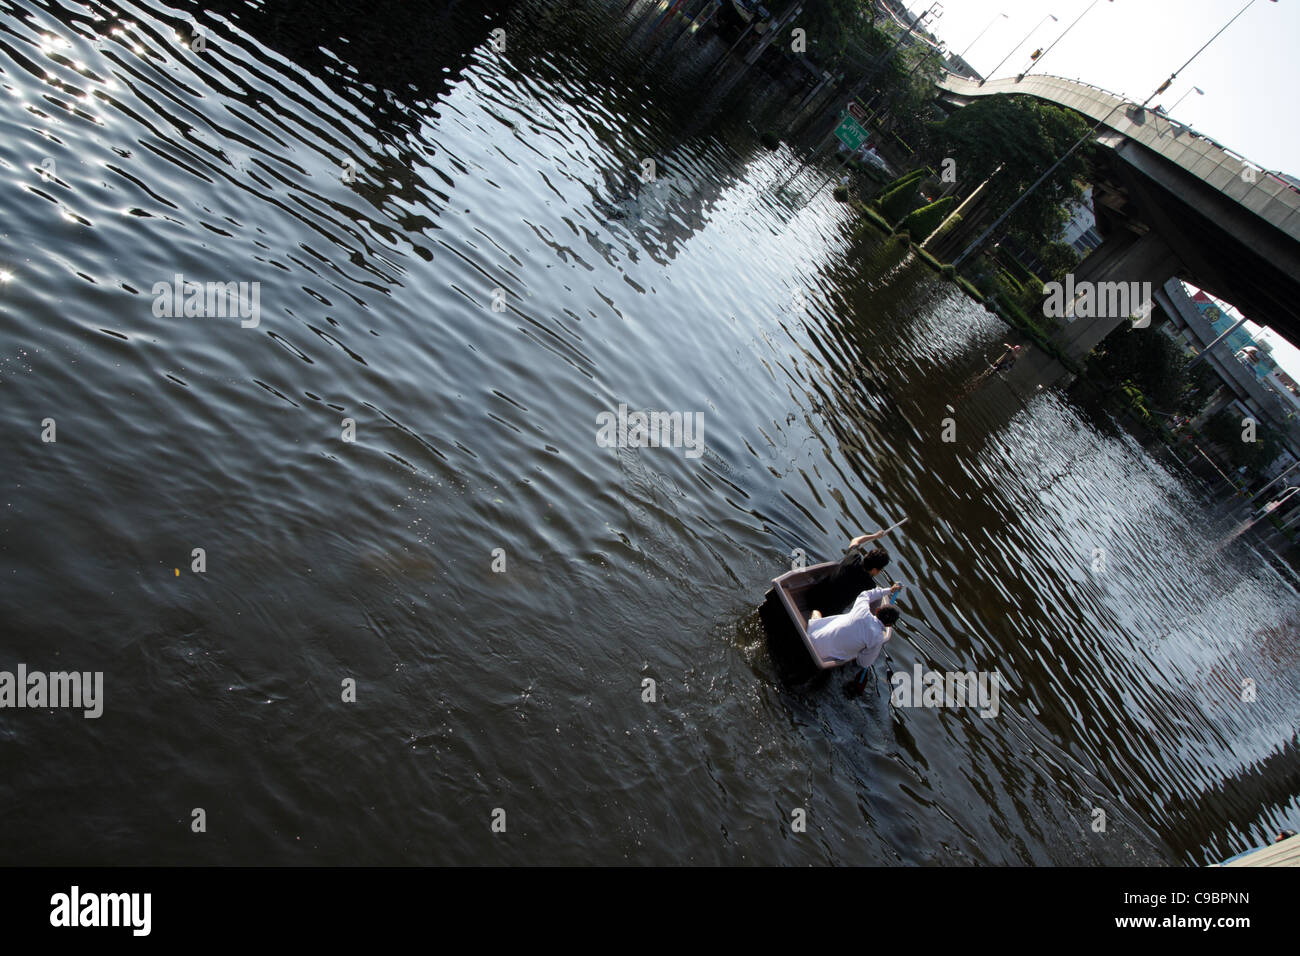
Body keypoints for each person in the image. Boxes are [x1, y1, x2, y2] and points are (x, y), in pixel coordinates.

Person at [807, 583, 904, 697]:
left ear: (877, 611)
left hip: (811, 636)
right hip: (823, 658)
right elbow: (863, 662)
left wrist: (889, 590)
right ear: (889, 625)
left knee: (816, 612)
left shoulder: (862, 609)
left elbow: (866, 594)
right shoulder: (878, 638)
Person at [802, 531, 891, 617]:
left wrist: (875, 536)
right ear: (875, 570)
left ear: (866, 556)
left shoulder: (852, 558)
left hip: (811, 597)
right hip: (827, 614)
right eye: (880, 569)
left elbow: (855, 540)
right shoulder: (869, 586)